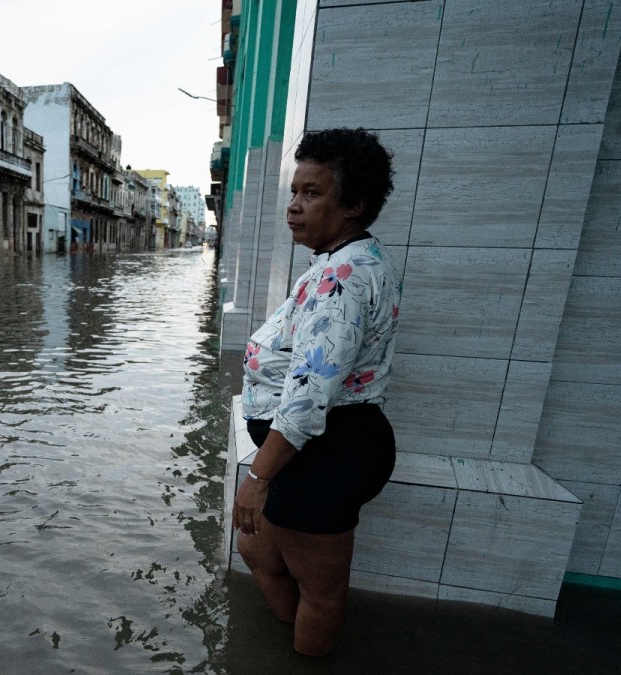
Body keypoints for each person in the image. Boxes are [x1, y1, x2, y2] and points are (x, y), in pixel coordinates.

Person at [232, 127, 400, 656]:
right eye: (294, 192)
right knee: (258, 551)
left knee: (321, 593)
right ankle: (292, 641)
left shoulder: (345, 275)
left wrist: (258, 477)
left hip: (325, 452)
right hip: (308, 452)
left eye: (312, 193)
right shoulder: (334, 263)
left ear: (353, 205)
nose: (294, 207)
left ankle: (307, 657)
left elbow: (308, 397)